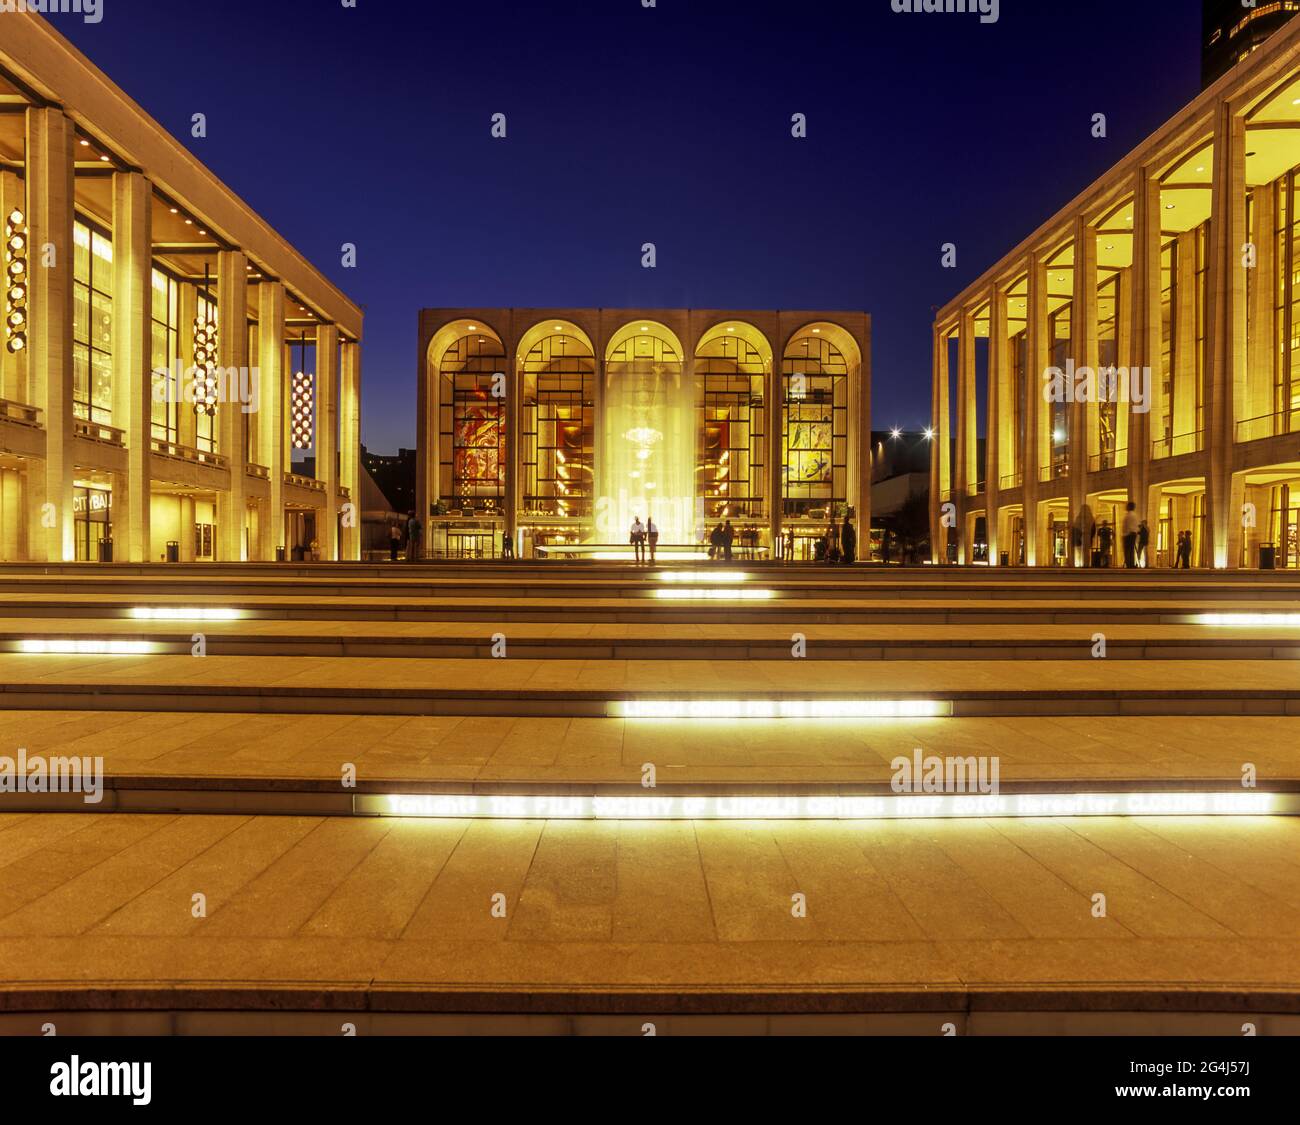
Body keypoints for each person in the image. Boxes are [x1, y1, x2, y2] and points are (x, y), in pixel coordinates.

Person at [1121, 502, 1140, 568]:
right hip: (1133, 534)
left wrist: (1124, 534)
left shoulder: (1128, 516)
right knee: (1131, 549)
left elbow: (1126, 526)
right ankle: (1131, 563)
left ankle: (1129, 563)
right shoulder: (1135, 515)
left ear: (1129, 507)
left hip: (1128, 534)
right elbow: (1137, 526)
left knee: (1127, 550)